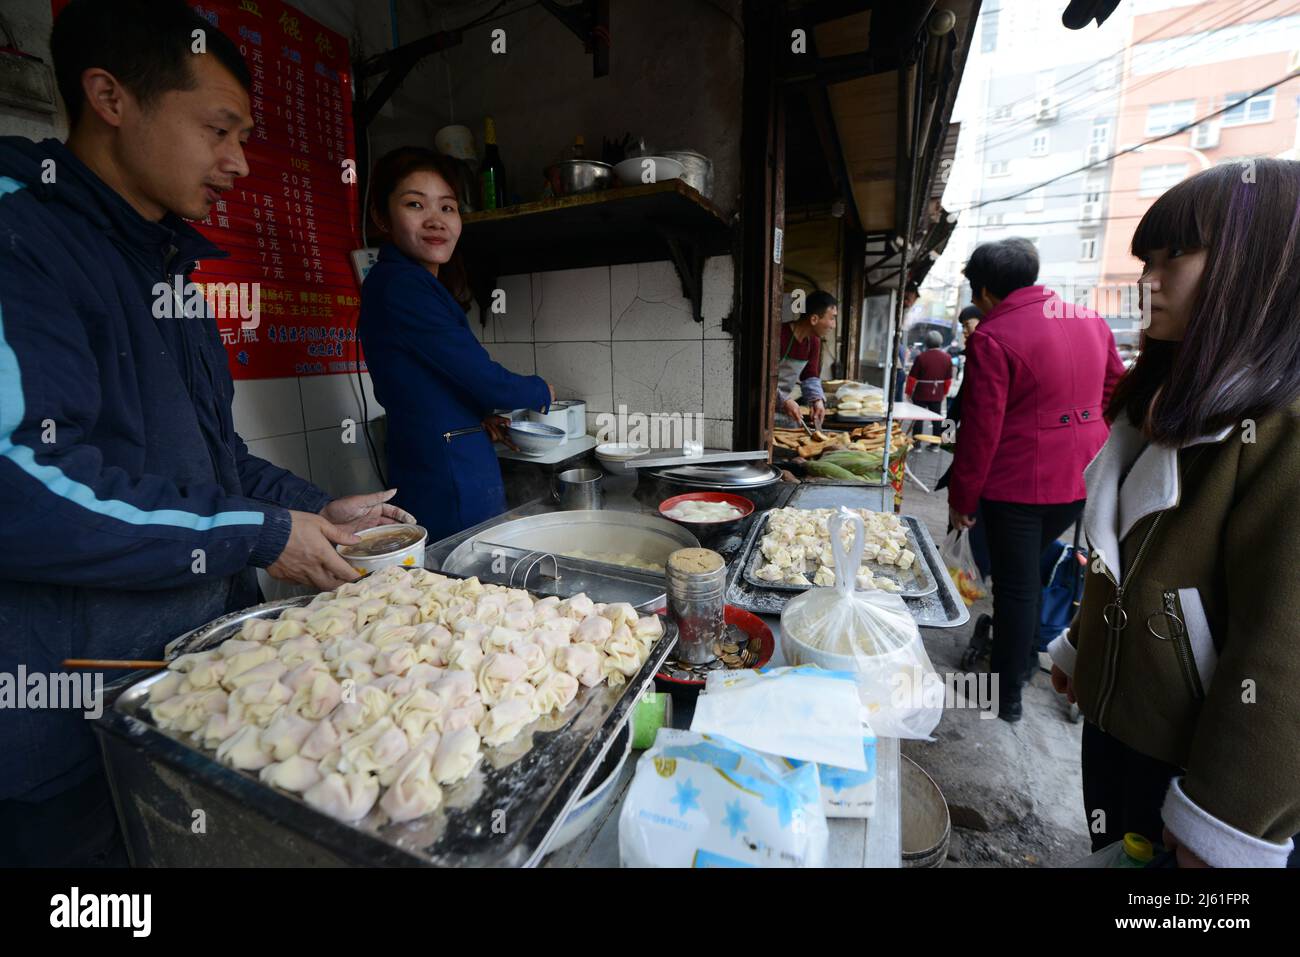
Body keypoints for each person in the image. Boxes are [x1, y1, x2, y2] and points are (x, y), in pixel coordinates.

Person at [0, 0, 409, 865]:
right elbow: (22, 484)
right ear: (110, 98)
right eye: (219, 130)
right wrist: (263, 535)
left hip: (189, 685)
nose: (239, 162)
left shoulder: (169, 265)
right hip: (62, 715)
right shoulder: (20, 236)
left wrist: (317, 509)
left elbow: (213, 463)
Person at [1048, 160, 1300, 867]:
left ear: (1263, 264)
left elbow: (1282, 652)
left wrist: (1227, 819)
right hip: (1124, 727)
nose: (1147, 281)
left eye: (1175, 256)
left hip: (1202, 774)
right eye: (1145, 261)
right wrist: (1082, 646)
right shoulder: (1159, 404)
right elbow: (1131, 560)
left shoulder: (1281, 431)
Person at [947, 238, 1124, 722]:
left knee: (1016, 586)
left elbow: (981, 431)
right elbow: (1114, 391)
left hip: (1018, 485)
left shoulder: (993, 337)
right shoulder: (1089, 321)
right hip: (1078, 480)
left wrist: (962, 500)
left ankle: (1004, 697)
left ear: (984, 290)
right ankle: (1023, 661)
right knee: (1028, 574)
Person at [359, 147, 554, 541]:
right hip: (445, 474)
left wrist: (478, 413)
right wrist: (541, 390)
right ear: (382, 218)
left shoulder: (414, 284)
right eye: (415, 204)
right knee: (463, 576)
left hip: (447, 459)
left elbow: (436, 376)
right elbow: (486, 380)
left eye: (447, 208)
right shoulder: (403, 286)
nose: (436, 220)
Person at [776, 290, 837, 430]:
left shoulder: (814, 342)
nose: (833, 325)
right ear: (814, 319)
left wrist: (817, 400)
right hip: (760, 406)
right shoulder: (779, 335)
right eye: (832, 318)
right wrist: (784, 400)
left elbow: (810, 376)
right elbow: (761, 377)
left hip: (783, 404)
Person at [905, 330, 953, 442]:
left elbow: (912, 378)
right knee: (936, 419)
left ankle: (916, 444)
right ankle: (935, 444)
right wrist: (944, 392)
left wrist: (908, 392)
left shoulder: (921, 357)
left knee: (918, 419)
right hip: (937, 393)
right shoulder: (947, 358)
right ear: (940, 342)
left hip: (921, 393)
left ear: (926, 342)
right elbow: (948, 380)